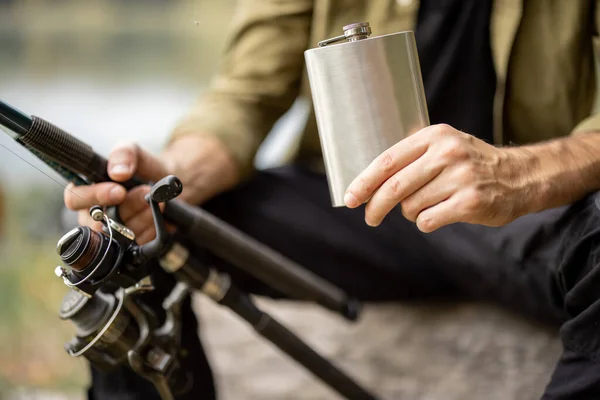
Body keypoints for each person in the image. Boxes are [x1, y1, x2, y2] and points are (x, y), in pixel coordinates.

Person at [64, 1, 600, 399]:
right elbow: (246, 94)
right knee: (138, 235)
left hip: (535, 216)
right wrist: (172, 177)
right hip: (360, 209)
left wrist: (518, 171)